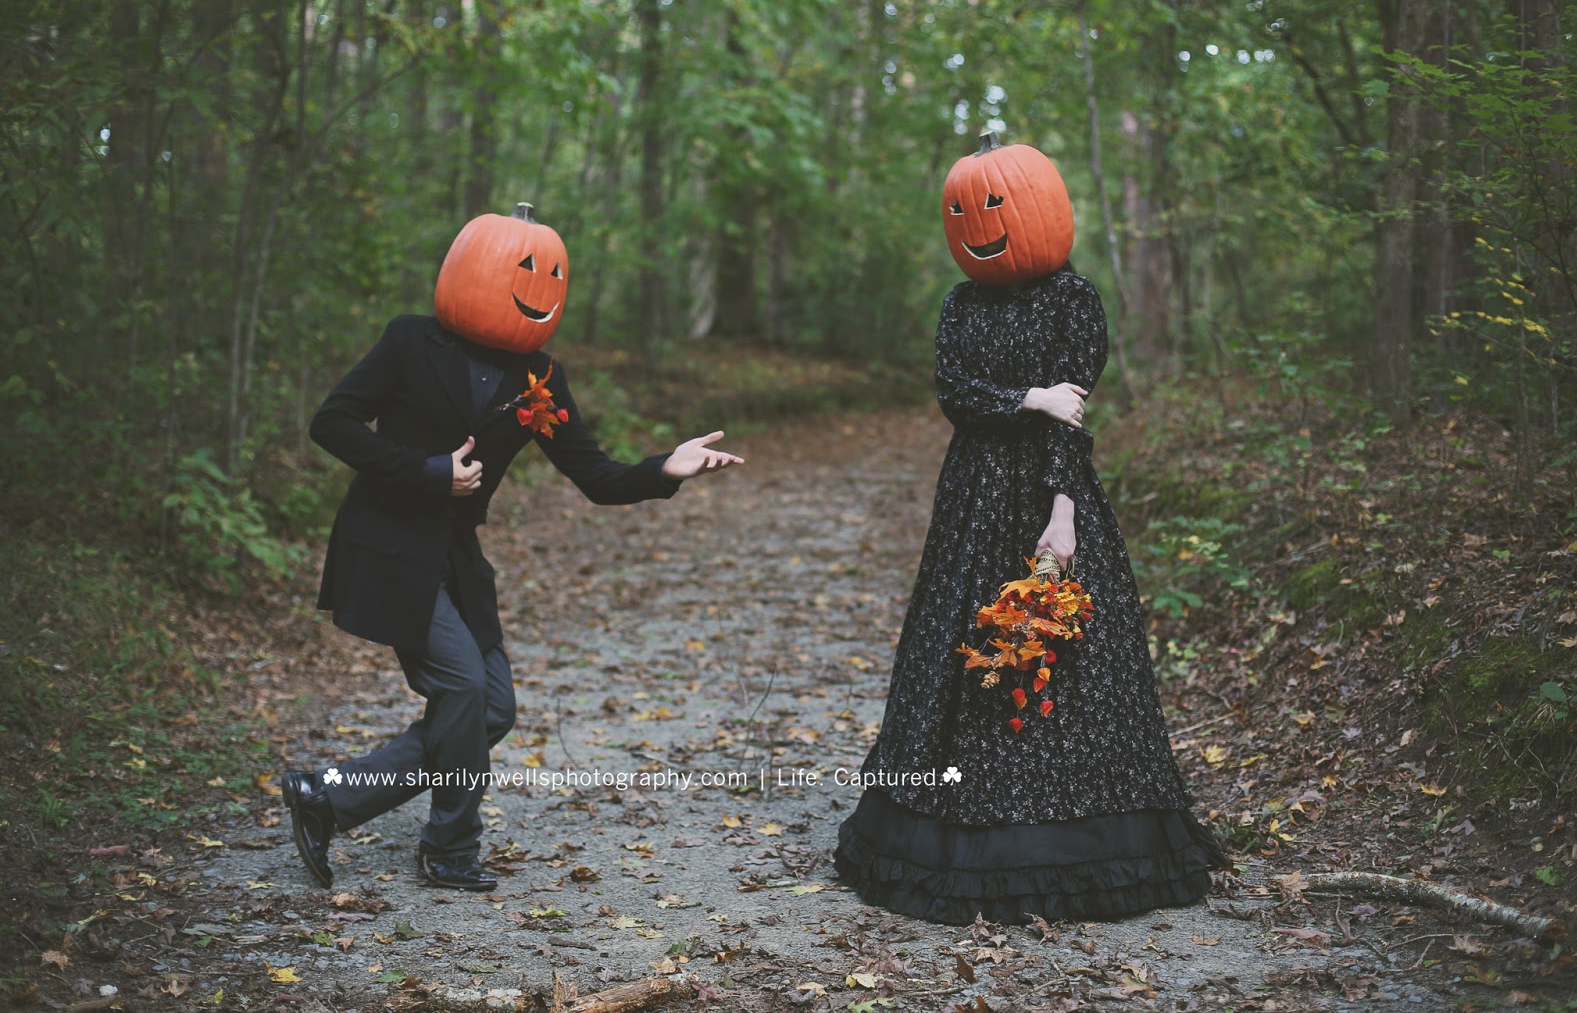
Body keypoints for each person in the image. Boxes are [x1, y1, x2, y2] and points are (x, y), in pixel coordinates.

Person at [282, 203, 741, 892]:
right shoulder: (410, 341)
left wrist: (662, 469)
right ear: (475, 266)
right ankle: (450, 848)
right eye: (526, 267)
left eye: (552, 271)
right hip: (387, 545)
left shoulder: (541, 378)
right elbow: (332, 422)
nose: (540, 280)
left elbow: (595, 475)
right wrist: (430, 470)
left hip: (454, 557)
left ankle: (330, 796)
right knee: (463, 686)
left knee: (492, 708)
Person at [834, 135, 1225, 924]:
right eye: (961, 208)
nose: (977, 219)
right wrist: (1030, 397)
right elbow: (956, 392)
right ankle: (946, 833)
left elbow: (1073, 422)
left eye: (995, 204)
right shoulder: (960, 303)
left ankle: (1079, 839)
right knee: (963, 648)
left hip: (1047, 491)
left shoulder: (1073, 298)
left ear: (1039, 205)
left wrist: (1063, 512)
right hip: (973, 498)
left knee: (1061, 653)